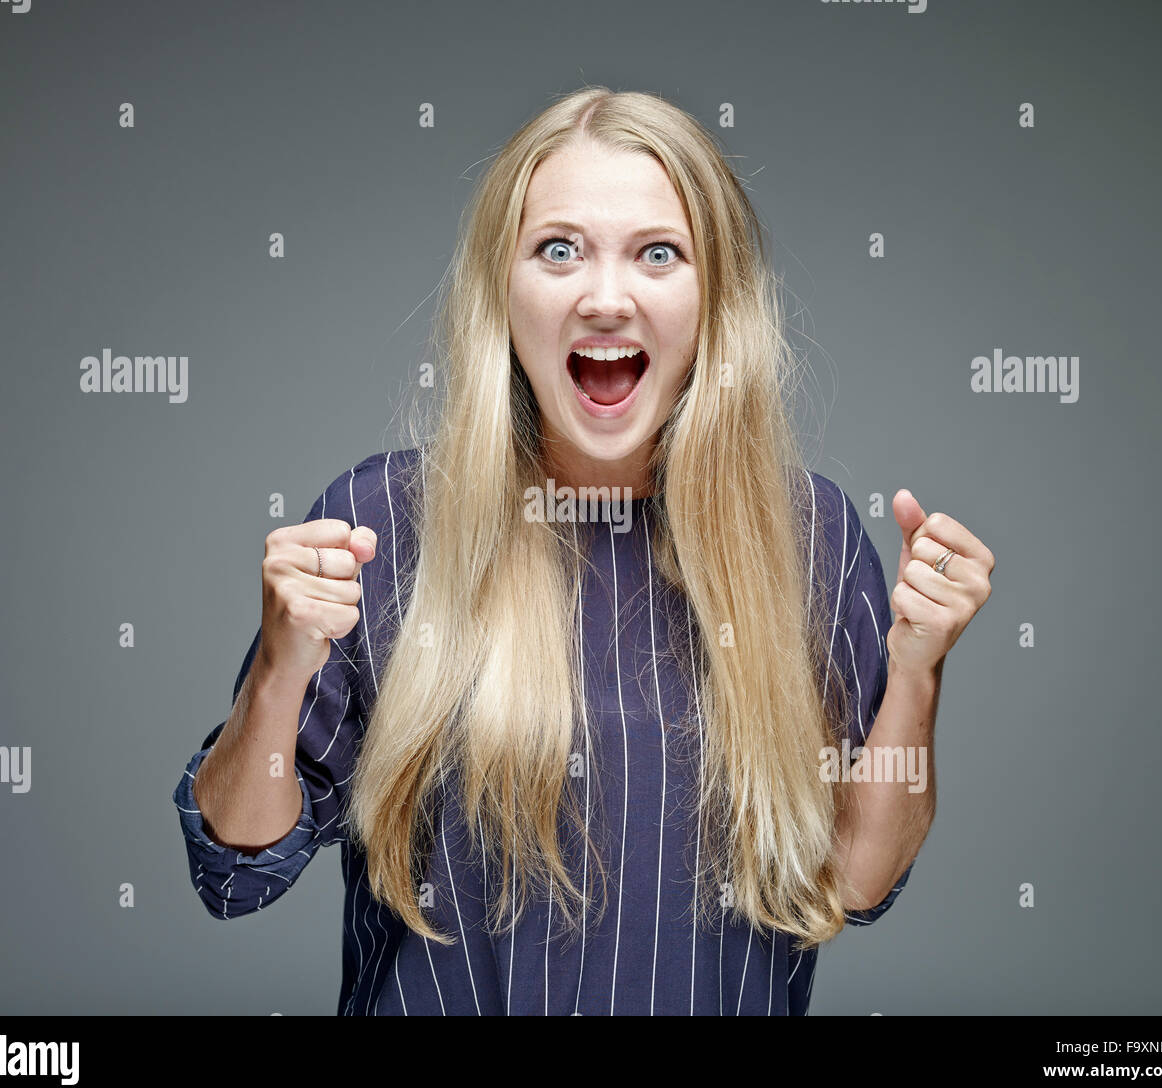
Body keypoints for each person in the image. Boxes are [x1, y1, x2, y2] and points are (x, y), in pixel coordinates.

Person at [172, 86, 994, 1016]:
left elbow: (855, 880)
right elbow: (235, 875)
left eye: (657, 253)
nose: (607, 298)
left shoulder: (814, 539)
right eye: (558, 250)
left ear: (714, 297)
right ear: (503, 290)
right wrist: (279, 671)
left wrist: (918, 671)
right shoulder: (382, 523)